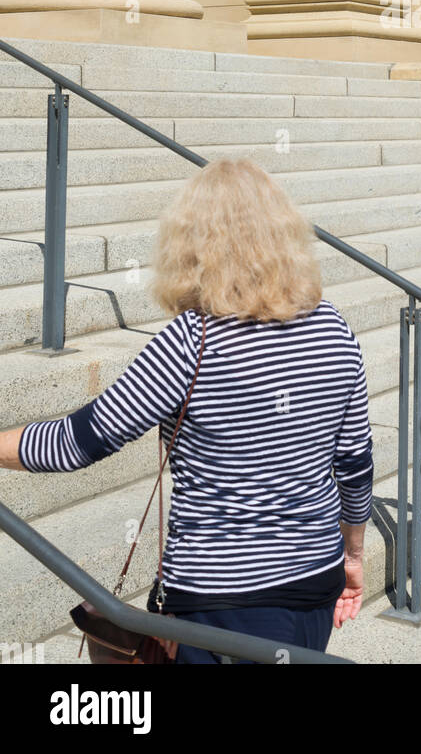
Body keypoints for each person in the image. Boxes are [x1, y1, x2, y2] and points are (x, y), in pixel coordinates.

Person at [0, 157, 373, 663]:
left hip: (221, 601)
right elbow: (353, 463)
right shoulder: (334, 329)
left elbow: (75, 443)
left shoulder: (192, 342)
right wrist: (353, 553)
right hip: (313, 578)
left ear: (192, 245)